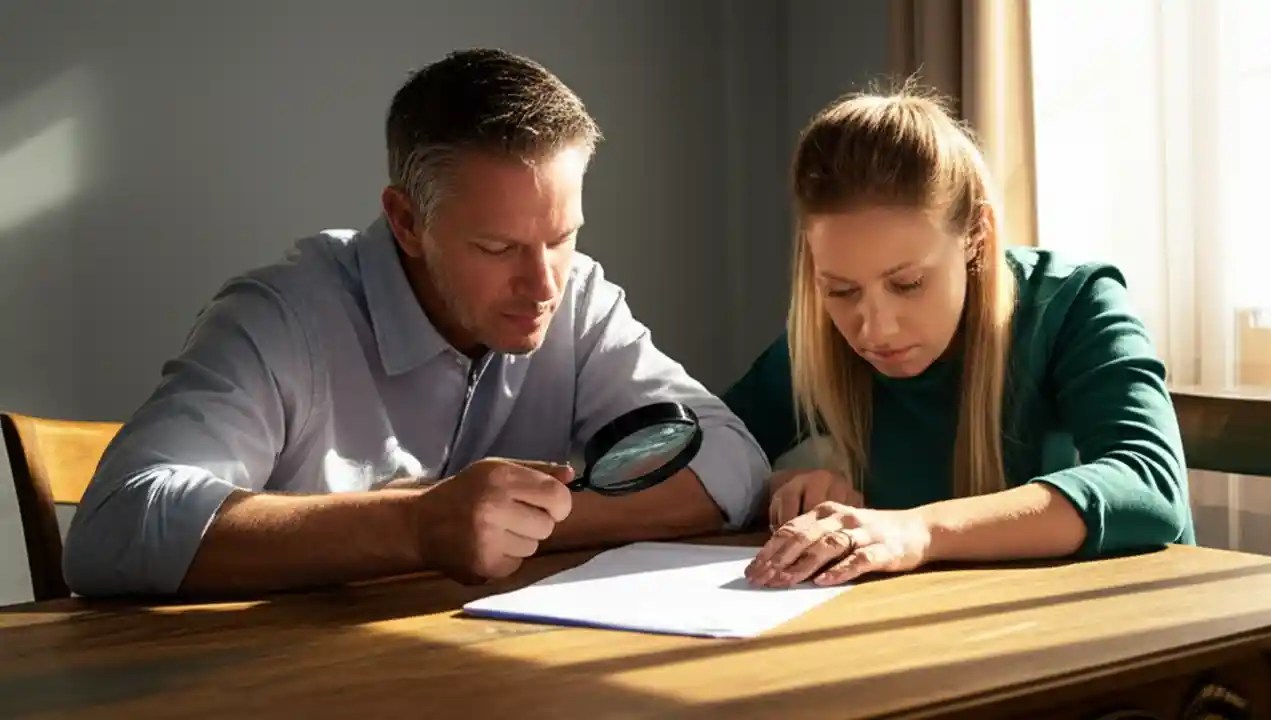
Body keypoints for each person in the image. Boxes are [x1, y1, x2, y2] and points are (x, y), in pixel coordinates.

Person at [63, 48, 770, 597]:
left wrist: (523, 523)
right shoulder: (280, 318)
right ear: (406, 220)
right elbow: (114, 528)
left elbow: (731, 461)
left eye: (562, 237)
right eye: (497, 248)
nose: (543, 283)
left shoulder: (577, 298)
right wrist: (414, 525)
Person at [724, 87, 1193, 589]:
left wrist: (918, 530)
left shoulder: (1074, 302)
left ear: (978, 236)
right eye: (840, 290)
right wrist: (783, 489)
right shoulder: (821, 342)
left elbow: (1149, 482)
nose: (874, 329)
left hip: (1127, 625)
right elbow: (709, 458)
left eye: (908, 284)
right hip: (940, 626)